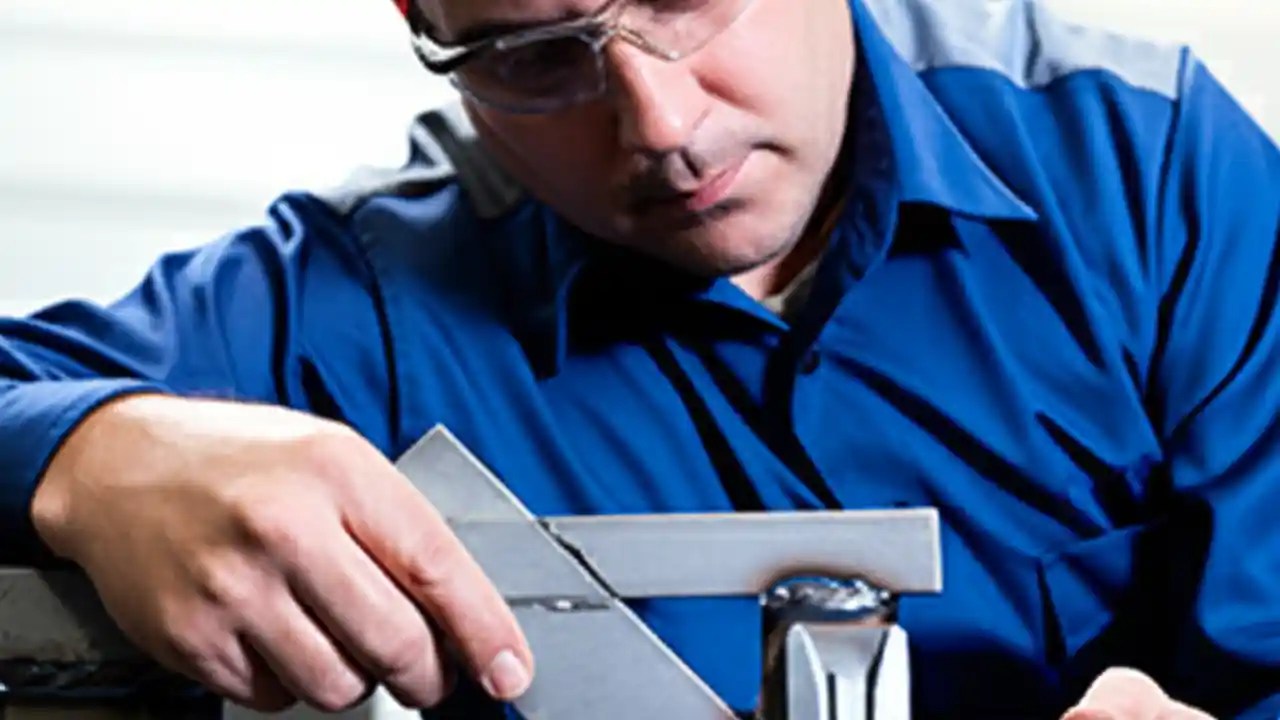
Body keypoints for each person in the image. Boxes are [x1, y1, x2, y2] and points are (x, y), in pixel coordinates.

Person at [1, 0, 1276, 716]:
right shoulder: (352, 302)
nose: (661, 124)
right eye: (533, 55)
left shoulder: (1154, 178)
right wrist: (94, 455)